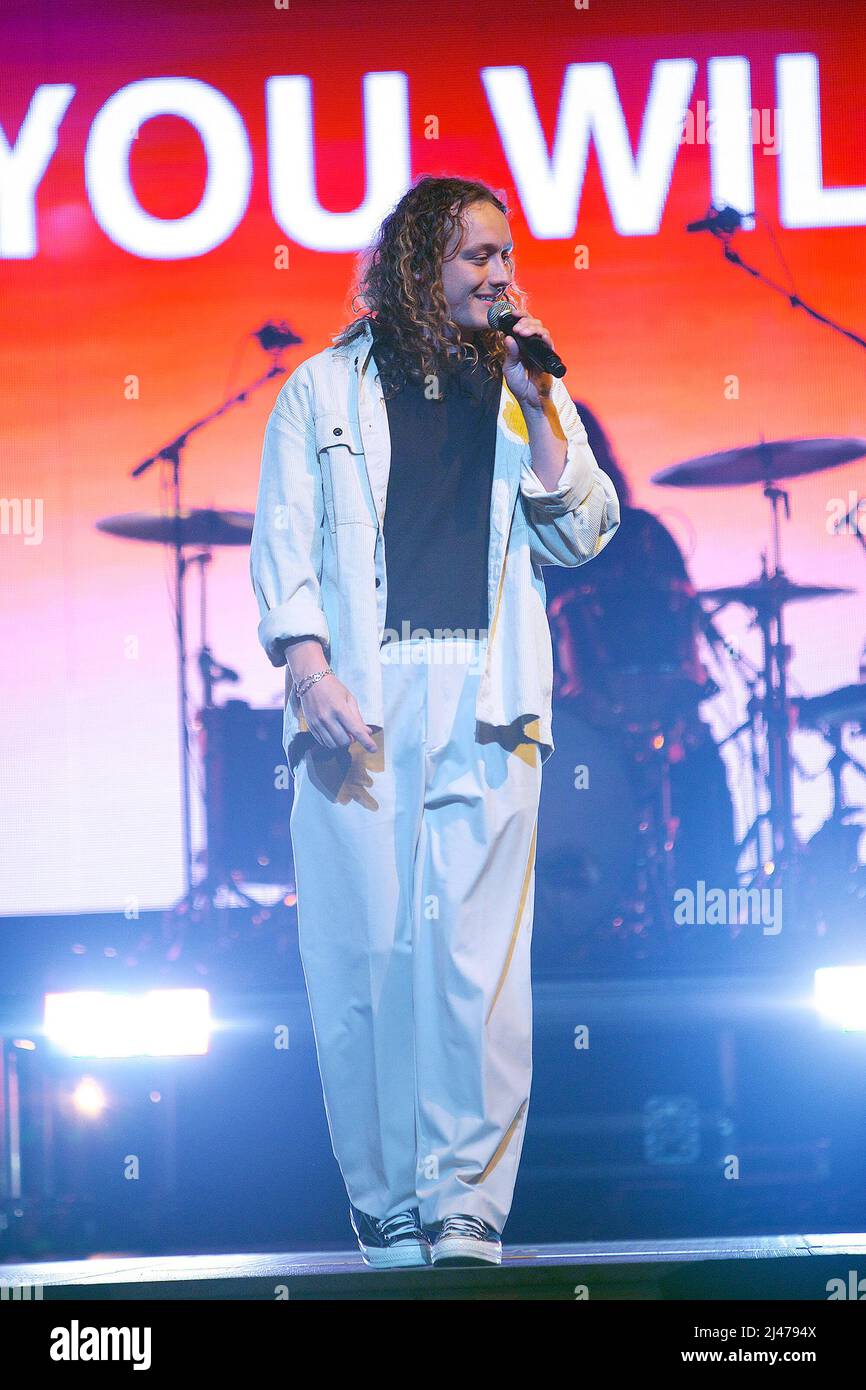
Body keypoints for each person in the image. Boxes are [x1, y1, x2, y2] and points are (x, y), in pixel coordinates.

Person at [249, 175, 620, 1269]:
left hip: (486, 685)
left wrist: (543, 397)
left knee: (476, 960)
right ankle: (384, 1199)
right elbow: (287, 537)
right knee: (362, 949)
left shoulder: (523, 389)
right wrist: (307, 669)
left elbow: (585, 528)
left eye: (506, 255)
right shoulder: (321, 389)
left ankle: (465, 1202)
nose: (500, 274)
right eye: (477, 257)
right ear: (420, 266)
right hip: (361, 696)